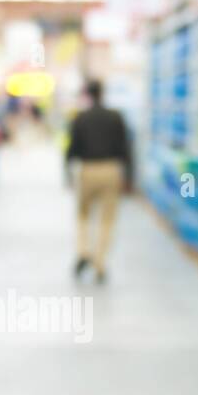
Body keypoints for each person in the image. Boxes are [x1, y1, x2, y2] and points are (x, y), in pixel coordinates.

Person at [65, 80, 133, 284]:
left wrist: (67, 174)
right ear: (103, 93)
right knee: (107, 218)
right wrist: (129, 176)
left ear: (87, 94)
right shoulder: (116, 117)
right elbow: (126, 148)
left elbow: (71, 148)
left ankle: (83, 250)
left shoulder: (80, 118)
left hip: (87, 169)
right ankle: (100, 261)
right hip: (111, 170)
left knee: (83, 214)